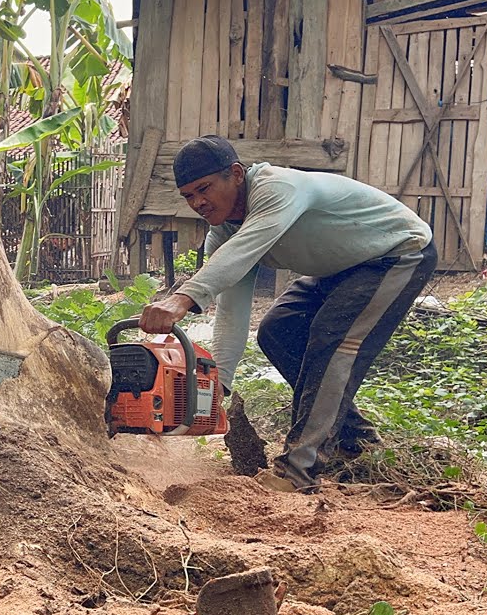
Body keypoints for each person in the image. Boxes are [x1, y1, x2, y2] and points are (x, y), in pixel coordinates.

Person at [137, 135, 437, 492]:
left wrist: (181, 299)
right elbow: (232, 312)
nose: (198, 202)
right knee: (278, 329)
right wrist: (218, 386)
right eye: (188, 196)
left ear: (235, 174)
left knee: (335, 340)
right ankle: (356, 444)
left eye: (204, 189)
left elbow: (242, 251)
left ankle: (298, 471)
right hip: (344, 268)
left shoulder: (276, 188)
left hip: (398, 252)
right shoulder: (223, 233)